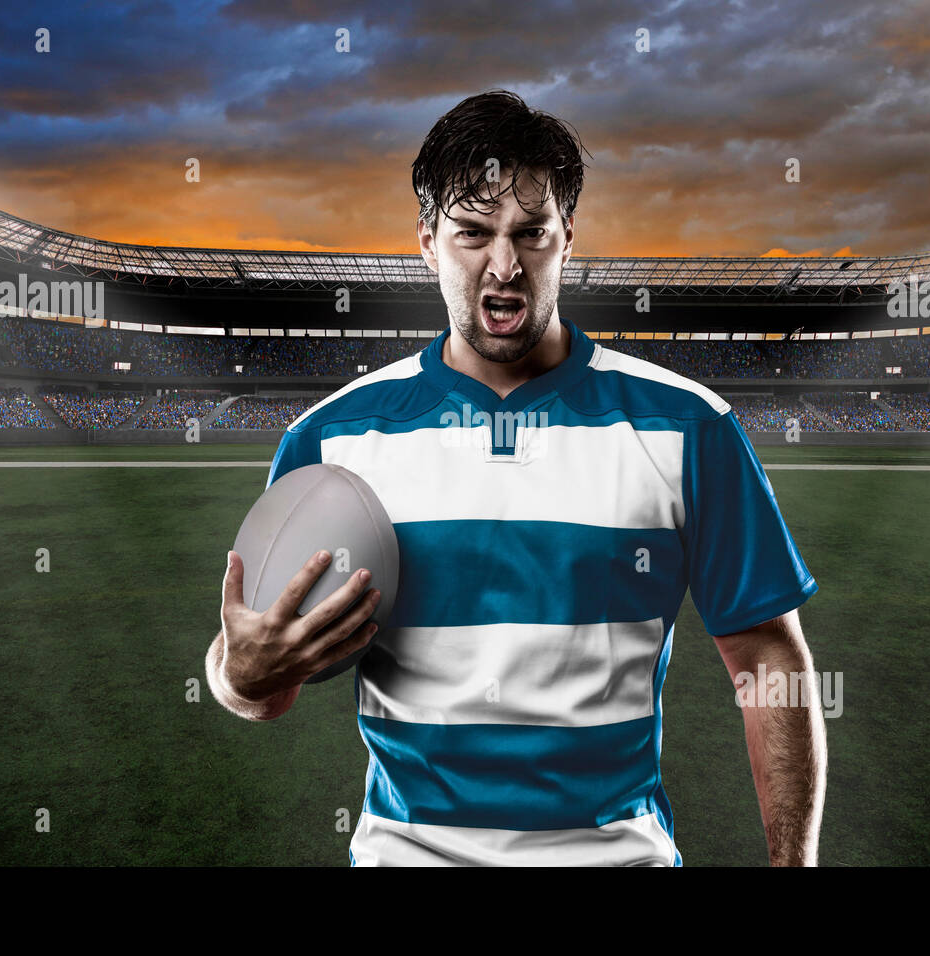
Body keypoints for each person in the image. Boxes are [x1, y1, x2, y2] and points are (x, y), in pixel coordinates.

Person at [206, 89, 824, 866]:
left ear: (569, 239)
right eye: (472, 233)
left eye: (532, 232)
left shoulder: (689, 427)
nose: (505, 265)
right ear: (427, 242)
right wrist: (237, 673)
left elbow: (769, 658)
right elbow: (256, 682)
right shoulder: (331, 439)